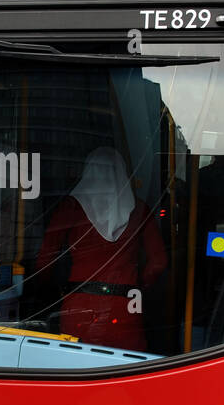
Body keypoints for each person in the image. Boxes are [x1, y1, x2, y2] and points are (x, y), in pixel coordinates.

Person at [35, 147, 167, 350]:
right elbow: (159, 262)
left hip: (78, 304)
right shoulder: (139, 210)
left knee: (75, 368)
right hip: (126, 306)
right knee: (128, 370)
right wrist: (139, 284)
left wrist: (50, 291)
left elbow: (45, 262)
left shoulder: (70, 207)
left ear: (87, 171)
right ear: (123, 173)